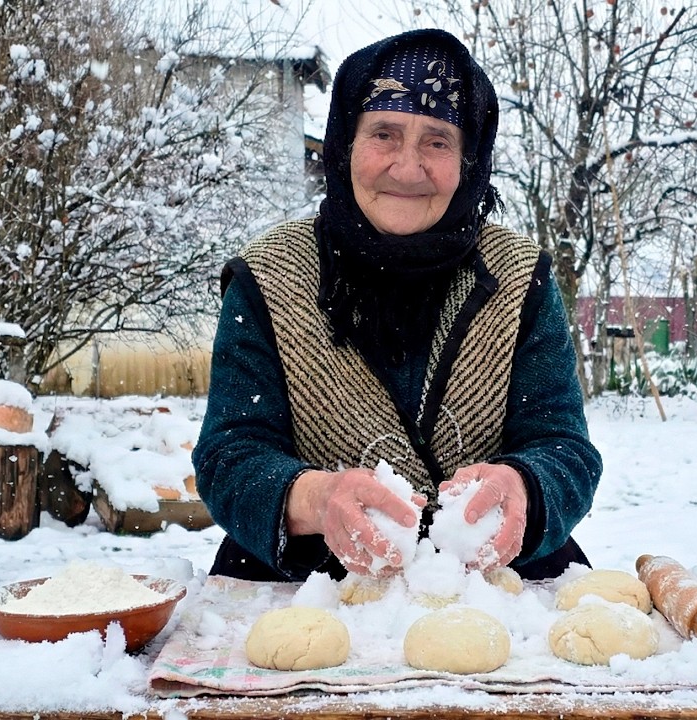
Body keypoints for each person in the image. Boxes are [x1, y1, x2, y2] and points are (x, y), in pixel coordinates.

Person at [192, 28, 601, 584]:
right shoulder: (268, 275)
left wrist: (525, 486)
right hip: (308, 590)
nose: (408, 169)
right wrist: (314, 497)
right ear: (344, 144)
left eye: (437, 141)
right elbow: (229, 454)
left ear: (469, 160)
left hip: (501, 592)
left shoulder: (519, 275)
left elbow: (564, 447)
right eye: (384, 133)